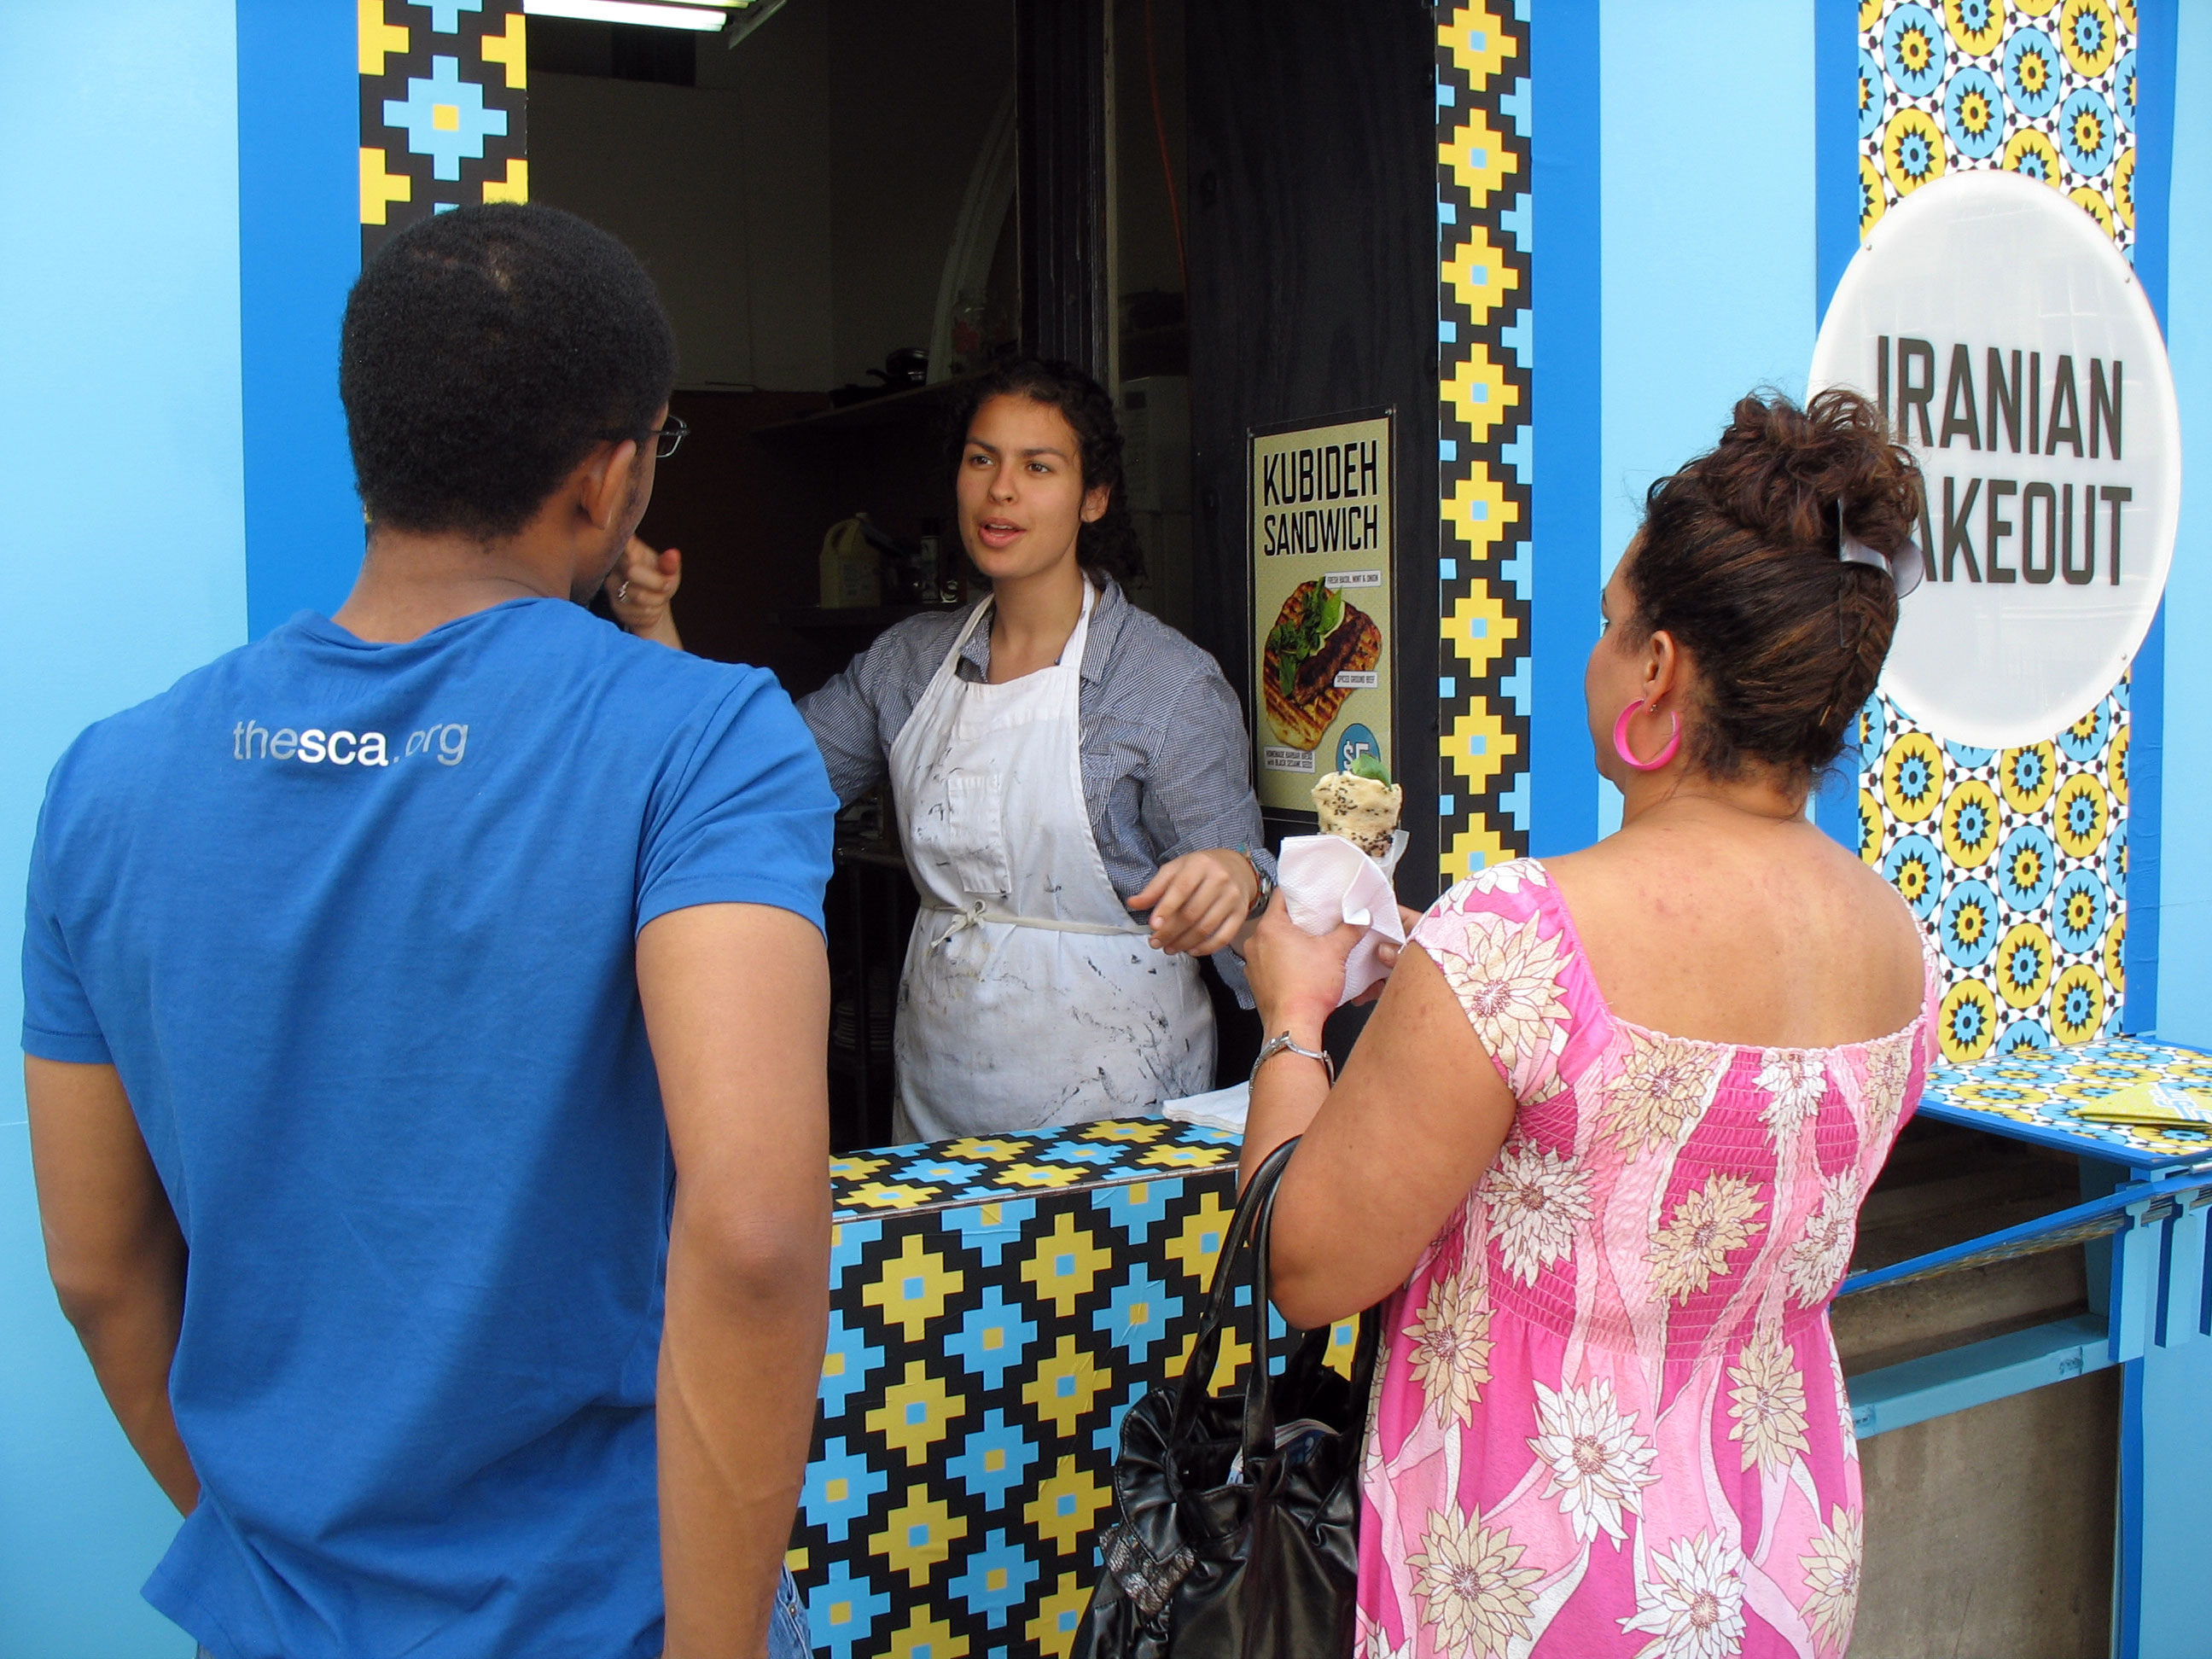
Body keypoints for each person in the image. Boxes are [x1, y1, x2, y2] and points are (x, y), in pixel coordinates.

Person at [22, 204, 835, 1659]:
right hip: (608, 1610)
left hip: (279, 1618)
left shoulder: (107, 779)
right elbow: (759, 1232)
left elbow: (96, 1265)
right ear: (607, 477)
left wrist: (281, 1570)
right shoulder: (701, 738)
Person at [1240, 389, 1935, 1657]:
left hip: (1534, 1578)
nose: (1598, 648)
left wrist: (1293, 1016)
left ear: (1660, 671)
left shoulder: (1525, 935)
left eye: (1613, 625)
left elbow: (1308, 1268)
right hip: (1779, 1559)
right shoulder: (1895, 945)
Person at [791, 358, 1275, 1143]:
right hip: (941, 1086)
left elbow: (1248, 913)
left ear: (1094, 497)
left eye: (1037, 467)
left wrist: (1244, 881)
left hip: (1120, 1102)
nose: (1001, 490)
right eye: (982, 459)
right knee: (942, 1264)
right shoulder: (908, 664)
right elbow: (768, 782)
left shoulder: (1168, 686)